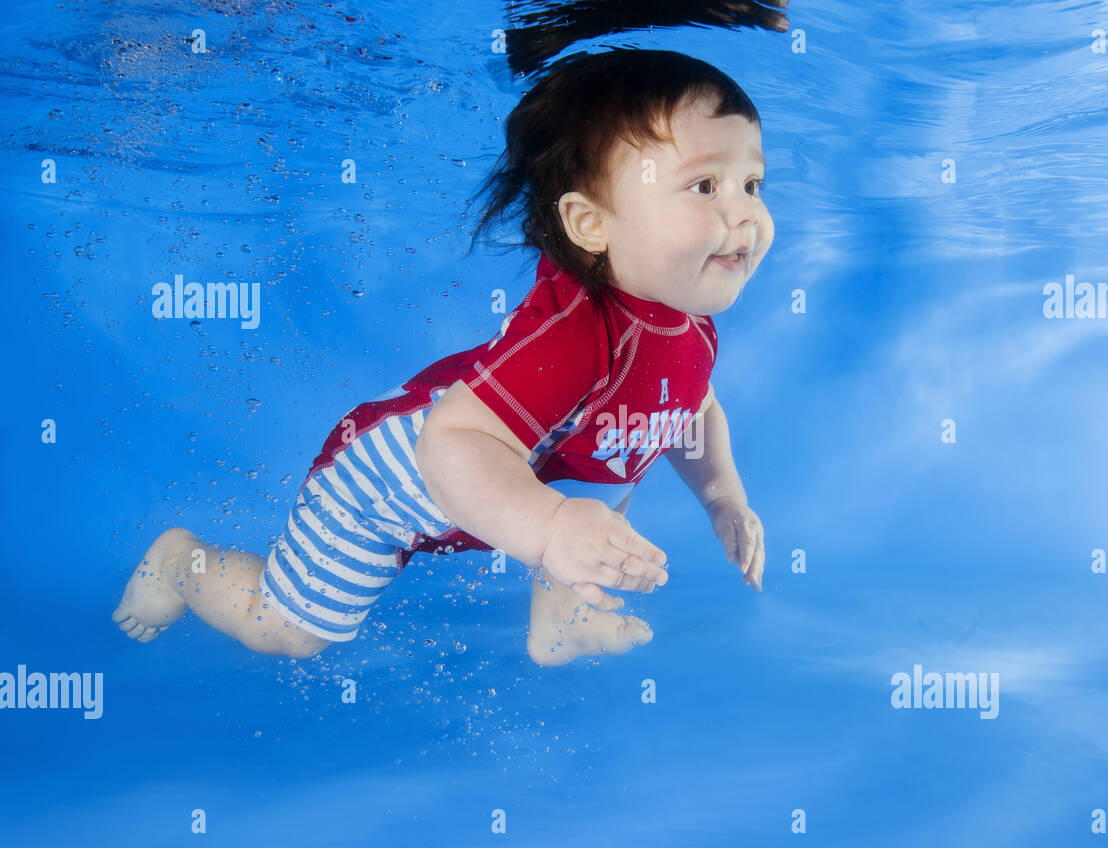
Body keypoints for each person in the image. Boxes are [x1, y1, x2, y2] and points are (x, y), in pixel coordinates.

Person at [112, 49, 773, 666]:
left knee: (611, 458)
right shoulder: (574, 333)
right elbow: (450, 441)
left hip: (504, 489)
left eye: (753, 183)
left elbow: (687, 409)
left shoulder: (690, 325)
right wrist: (549, 530)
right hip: (385, 486)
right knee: (289, 630)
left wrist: (722, 497)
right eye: (706, 187)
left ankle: (561, 620)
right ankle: (182, 563)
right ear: (590, 224)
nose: (745, 213)